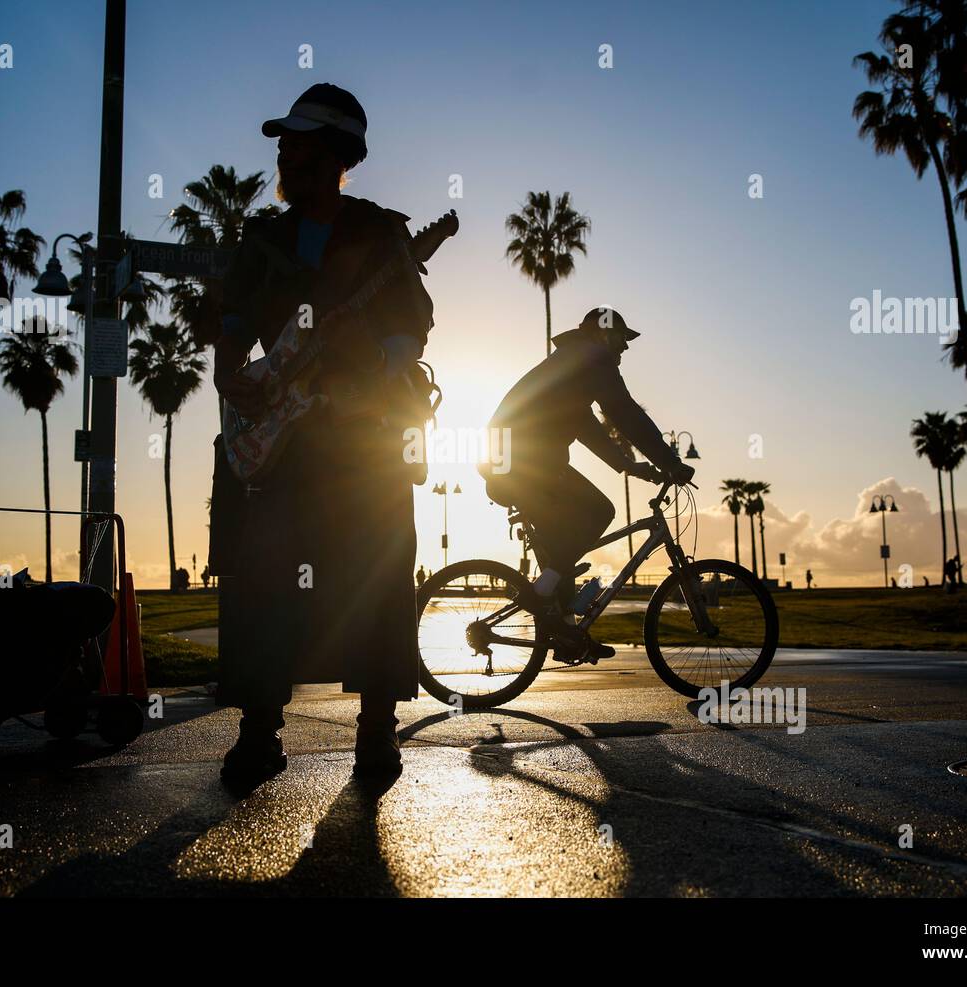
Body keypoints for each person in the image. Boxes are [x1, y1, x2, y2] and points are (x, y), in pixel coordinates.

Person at [212, 83, 434, 783]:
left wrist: (378, 357)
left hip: (365, 439)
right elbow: (230, 316)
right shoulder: (262, 239)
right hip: (282, 444)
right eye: (284, 144)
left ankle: (377, 730)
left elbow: (414, 322)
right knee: (263, 577)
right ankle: (258, 732)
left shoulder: (381, 234)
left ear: (337, 155)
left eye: (299, 144)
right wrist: (227, 368)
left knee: (378, 575)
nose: (285, 154)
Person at [478, 307, 693, 661]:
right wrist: (670, 462)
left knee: (561, 550)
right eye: (622, 338)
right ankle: (539, 594)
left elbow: (585, 426)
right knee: (599, 511)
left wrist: (629, 466)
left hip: (509, 462)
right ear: (604, 334)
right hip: (524, 464)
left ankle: (568, 636)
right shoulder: (593, 358)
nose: (625, 347)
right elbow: (625, 413)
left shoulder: (572, 363)